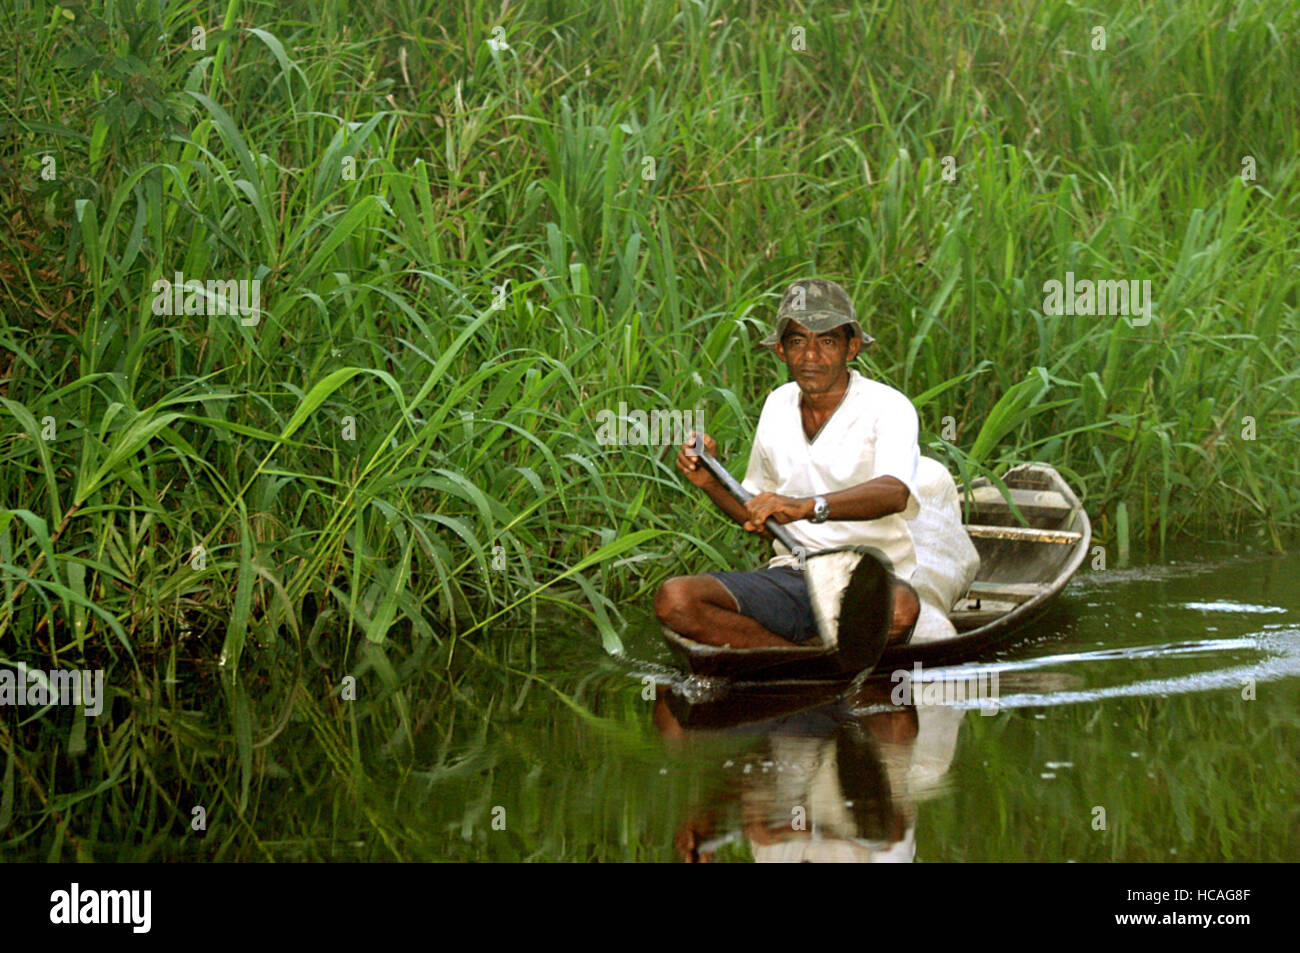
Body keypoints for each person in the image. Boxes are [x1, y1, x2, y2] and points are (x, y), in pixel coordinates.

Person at [654, 278, 923, 650]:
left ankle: (790, 653)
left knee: (900, 610)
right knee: (676, 600)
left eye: (827, 341)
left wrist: (806, 507)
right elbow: (760, 518)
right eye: (798, 342)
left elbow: (894, 493)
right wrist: (711, 482)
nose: (810, 356)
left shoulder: (888, 407)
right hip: (795, 575)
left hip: (869, 579)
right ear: (781, 350)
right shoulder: (777, 405)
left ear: (852, 347)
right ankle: (795, 657)